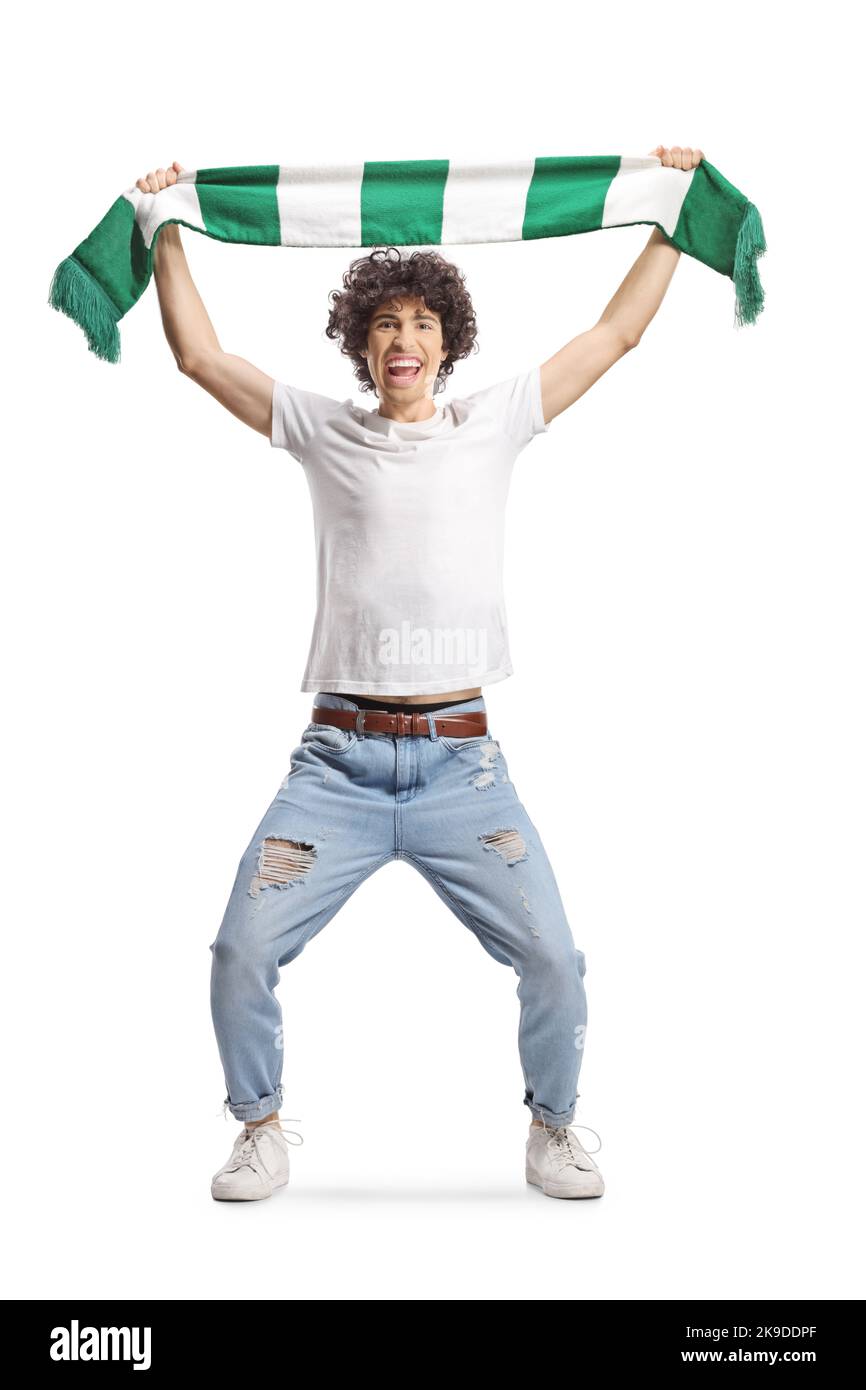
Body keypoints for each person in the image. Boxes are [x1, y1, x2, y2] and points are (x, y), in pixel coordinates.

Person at [138, 145, 703, 1203]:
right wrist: (166, 226)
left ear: (448, 343)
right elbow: (201, 358)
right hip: (335, 769)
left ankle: (553, 1128)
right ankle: (257, 1128)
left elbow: (615, 334)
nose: (403, 337)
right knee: (236, 951)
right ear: (360, 342)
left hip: (461, 772)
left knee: (556, 961)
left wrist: (670, 214)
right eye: (383, 322)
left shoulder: (493, 421)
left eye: (422, 322)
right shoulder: (322, 430)